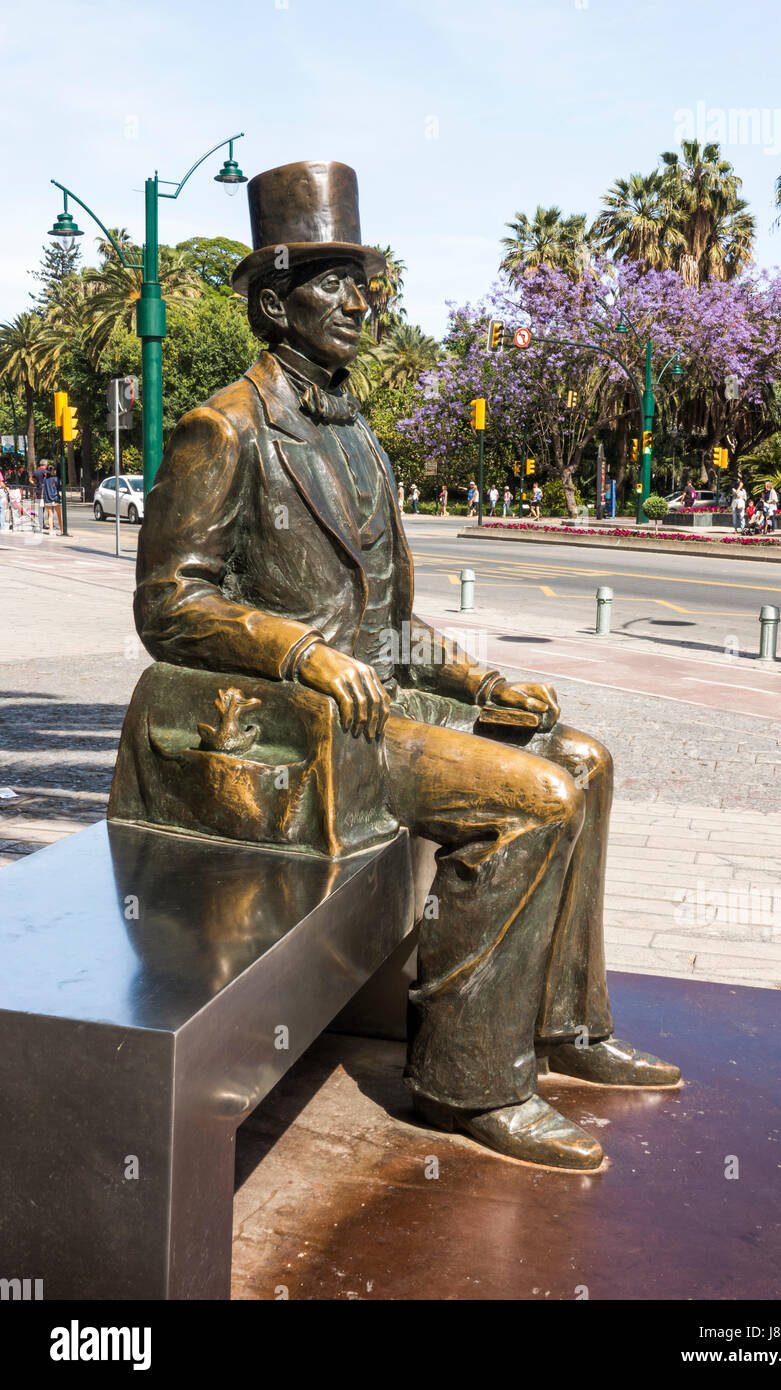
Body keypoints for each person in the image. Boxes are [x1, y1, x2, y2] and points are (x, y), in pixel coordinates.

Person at [115, 159, 679, 1172]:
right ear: (274, 302)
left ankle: (563, 1024)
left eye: (363, 284)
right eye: (334, 284)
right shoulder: (224, 427)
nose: (360, 305)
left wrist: (474, 682)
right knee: (535, 796)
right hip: (310, 727)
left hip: (393, 702)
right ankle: (467, 1080)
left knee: (584, 758)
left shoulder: (360, 434)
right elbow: (171, 605)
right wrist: (300, 651)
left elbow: (395, 616)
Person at [42, 465, 62, 534]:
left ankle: (51, 530)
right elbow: (59, 488)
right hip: (56, 498)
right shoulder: (56, 479)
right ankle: (62, 530)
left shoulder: (45, 479)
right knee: (60, 515)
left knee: (50, 515)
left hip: (48, 499)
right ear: (53, 471)